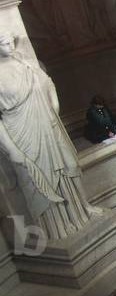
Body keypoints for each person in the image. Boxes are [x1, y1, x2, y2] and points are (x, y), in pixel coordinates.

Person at [0, 32, 96, 241]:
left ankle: (82, 209)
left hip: (48, 124)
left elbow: (48, 82)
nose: (10, 46)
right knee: (38, 180)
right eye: (3, 43)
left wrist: (54, 106)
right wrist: (12, 149)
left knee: (69, 165)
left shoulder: (25, 63)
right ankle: (55, 227)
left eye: (10, 41)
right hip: (23, 133)